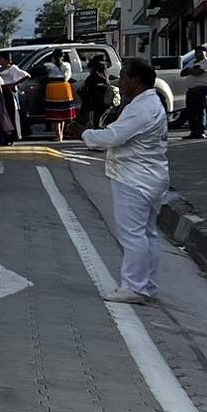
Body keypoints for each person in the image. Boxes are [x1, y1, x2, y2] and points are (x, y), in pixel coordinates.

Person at [81, 58, 171, 305]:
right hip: (149, 176)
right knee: (147, 234)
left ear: (136, 81)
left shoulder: (142, 108)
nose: (120, 82)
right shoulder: (149, 103)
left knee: (133, 235)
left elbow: (114, 136)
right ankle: (148, 286)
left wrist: (84, 133)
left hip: (135, 178)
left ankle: (134, 287)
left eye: (124, 77)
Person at [40, 49, 77, 142]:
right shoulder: (66, 65)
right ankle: (60, 135)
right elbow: (66, 77)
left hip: (52, 87)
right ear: (62, 56)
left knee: (56, 114)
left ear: (52, 56)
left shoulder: (48, 65)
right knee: (62, 114)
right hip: (63, 88)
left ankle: (58, 135)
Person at [0, 51, 29, 143]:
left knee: (9, 113)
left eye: (0, 58)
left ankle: (10, 137)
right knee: (1, 114)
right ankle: (1, 137)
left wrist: (14, 84)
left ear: (6, 60)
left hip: (8, 92)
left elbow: (26, 75)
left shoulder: (13, 68)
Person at [181, 44, 207, 139]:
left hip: (201, 89)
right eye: (196, 52)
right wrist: (191, 70)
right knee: (190, 112)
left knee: (200, 111)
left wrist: (190, 70)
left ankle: (201, 131)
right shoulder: (192, 62)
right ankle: (193, 132)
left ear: (205, 53)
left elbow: (198, 72)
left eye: (200, 52)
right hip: (190, 90)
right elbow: (182, 73)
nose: (198, 54)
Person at [80, 56, 115, 131]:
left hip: (94, 102)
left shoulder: (93, 77)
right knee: (99, 120)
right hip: (104, 102)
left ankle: (95, 134)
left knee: (94, 121)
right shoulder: (105, 75)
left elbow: (87, 86)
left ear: (92, 68)